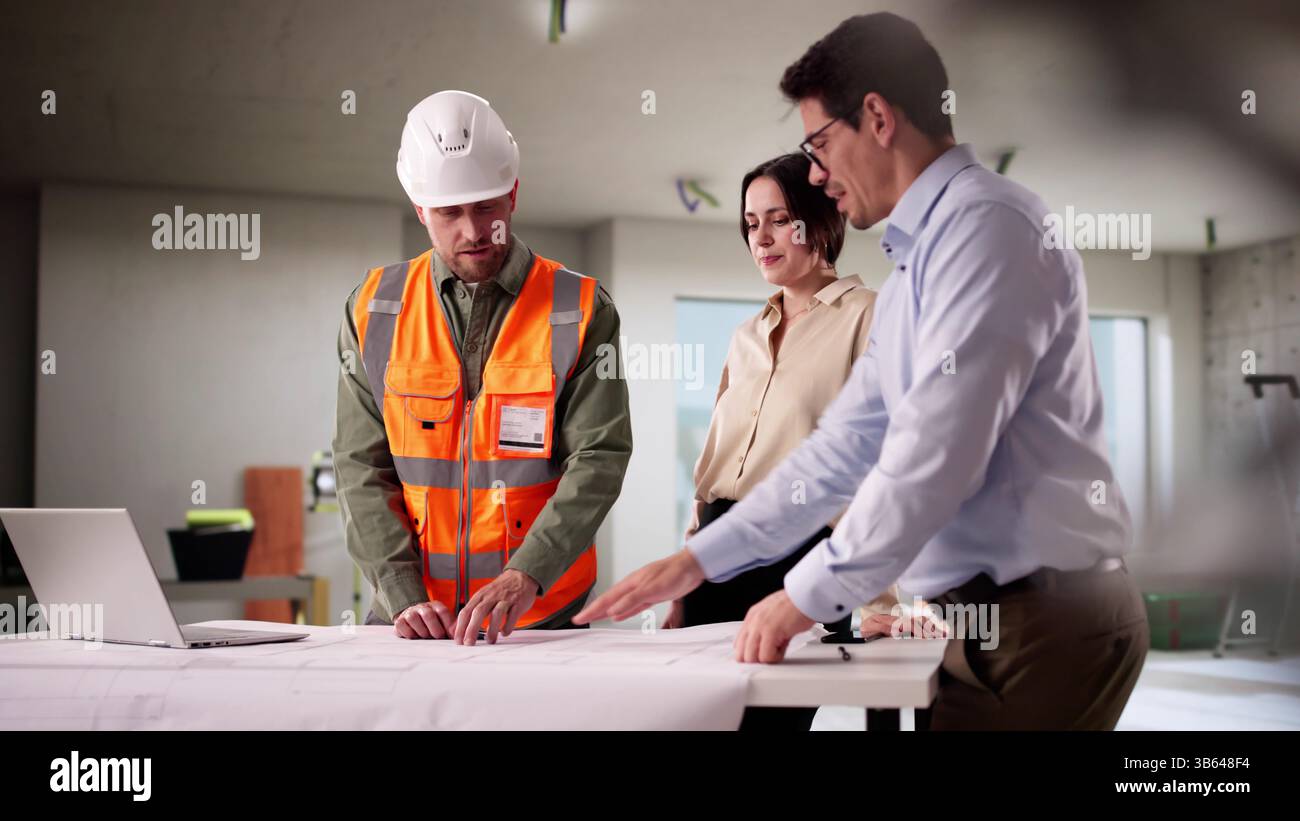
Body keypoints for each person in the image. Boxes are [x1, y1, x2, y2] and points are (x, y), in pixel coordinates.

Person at [576, 14, 1148, 730]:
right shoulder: (918, 265)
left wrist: (803, 595)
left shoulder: (988, 230)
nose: (816, 173)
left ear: (876, 117)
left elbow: (936, 455)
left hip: (1043, 620)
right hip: (985, 620)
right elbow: (845, 446)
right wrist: (697, 561)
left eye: (818, 145)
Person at [334, 90, 632, 645]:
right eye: (449, 212)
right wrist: (401, 591)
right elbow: (359, 465)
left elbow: (599, 458)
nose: (473, 231)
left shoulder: (581, 308)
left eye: (488, 207)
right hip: (412, 618)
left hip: (539, 618)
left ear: (513, 194)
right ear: (421, 209)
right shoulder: (373, 309)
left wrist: (528, 573)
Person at [668, 152, 898, 730]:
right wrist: (684, 572)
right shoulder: (746, 336)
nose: (761, 237)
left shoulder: (869, 317)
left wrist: (879, 602)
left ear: (821, 219)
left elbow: (882, 465)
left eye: (778, 218)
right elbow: (715, 465)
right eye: (750, 223)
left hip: (801, 560)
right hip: (718, 555)